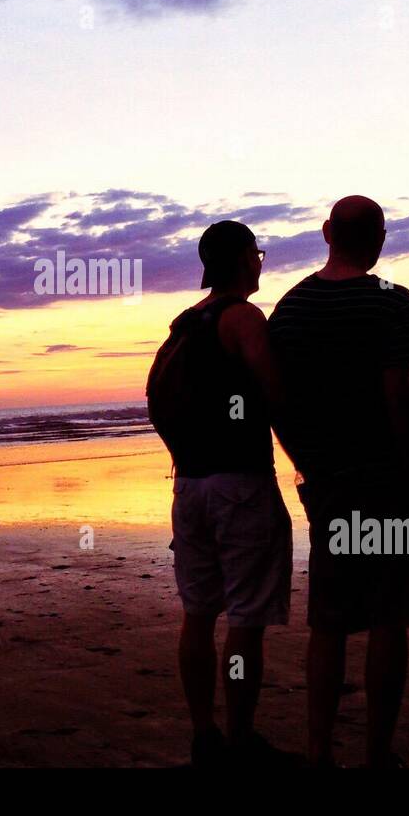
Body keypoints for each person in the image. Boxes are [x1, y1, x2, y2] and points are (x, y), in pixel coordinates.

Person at [268, 196, 409, 769]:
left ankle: (319, 752)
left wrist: (306, 462)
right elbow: (401, 391)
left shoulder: (290, 309)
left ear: (326, 233)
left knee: (331, 617)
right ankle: (377, 751)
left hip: (329, 480)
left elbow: (276, 401)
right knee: (388, 616)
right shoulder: (393, 302)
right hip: (388, 476)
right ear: (380, 239)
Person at [146, 220, 293, 767]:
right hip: (241, 484)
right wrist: (306, 466)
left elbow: (156, 400)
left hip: (189, 485)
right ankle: (240, 739)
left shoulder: (184, 325)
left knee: (198, 614)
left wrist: (187, 457)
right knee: (247, 619)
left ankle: (204, 735)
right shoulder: (243, 317)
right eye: (257, 254)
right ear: (241, 261)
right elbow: (276, 396)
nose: (260, 263)